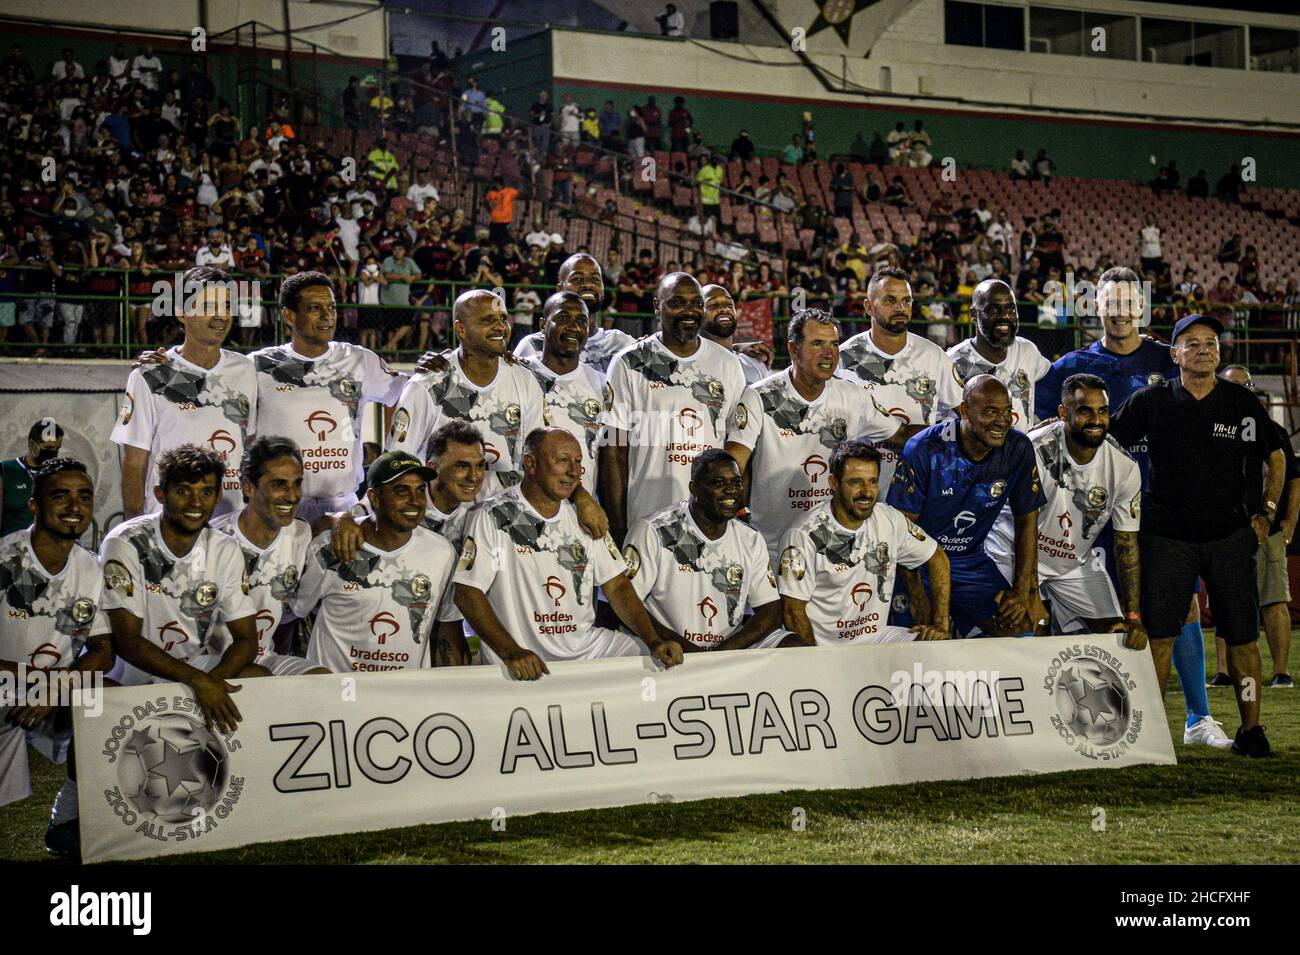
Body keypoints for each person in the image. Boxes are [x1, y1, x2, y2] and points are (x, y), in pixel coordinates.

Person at [1033, 267, 1221, 744]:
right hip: (1088, 521)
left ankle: (1198, 719)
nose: (1118, 312)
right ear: (1095, 307)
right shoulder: (1068, 367)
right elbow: (1040, 440)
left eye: (1127, 303)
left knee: (1184, 610)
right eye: (1109, 303)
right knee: (1104, 617)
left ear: (1141, 307)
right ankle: (1099, 721)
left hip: (1163, 506)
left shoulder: (1168, 357)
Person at [1107, 314, 1286, 758]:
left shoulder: (1241, 403)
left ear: (1220, 353)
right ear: (1175, 355)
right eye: (1192, 343)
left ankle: (1251, 730)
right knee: (1159, 635)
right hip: (1167, 537)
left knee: (1243, 637)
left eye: (1211, 342)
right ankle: (1147, 734)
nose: (1204, 349)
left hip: (1229, 537)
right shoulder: (1151, 400)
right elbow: (1107, 444)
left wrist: (1265, 513)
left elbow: (1277, 455)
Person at [454, 428, 684, 678]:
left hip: (585, 648)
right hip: (522, 652)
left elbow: (617, 585)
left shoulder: (587, 516)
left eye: (577, 462)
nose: (574, 472)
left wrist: (653, 640)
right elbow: (467, 594)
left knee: (659, 662)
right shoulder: (491, 516)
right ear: (531, 464)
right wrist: (511, 652)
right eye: (563, 461)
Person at [726, 308, 912, 559]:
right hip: (772, 546)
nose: (829, 353)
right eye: (817, 344)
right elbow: (733, 463)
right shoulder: (760, 397)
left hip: (833, 544)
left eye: (834, 344)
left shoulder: (852, 396)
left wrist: (951, 434)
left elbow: (901, 436)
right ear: (793, 349)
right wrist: (738, 516)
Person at [0, 458, 114, 859]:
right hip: (4, 685)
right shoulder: (6, 559)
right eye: (60, 495)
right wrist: (33, 681)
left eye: (84, 496)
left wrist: (53, 686)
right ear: (34, 506)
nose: (74, 506)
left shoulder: (92, 567)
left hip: (50, 689)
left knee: (106, 697)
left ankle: (64, 821)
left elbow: (103, 651)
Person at [99, 445, 260, 723]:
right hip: (133, 672)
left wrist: (213, 682)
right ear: (161, 494)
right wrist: (200, 682)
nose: (196, 503)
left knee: (258, 678)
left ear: (218, 496)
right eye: (184, 491)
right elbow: (128, 643)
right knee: (95, 694)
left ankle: (237, 764)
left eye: (206, 492)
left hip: (194, 667)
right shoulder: (125, 542)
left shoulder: (224, 548)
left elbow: (247, 640)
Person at [887, 376, 1046, 638]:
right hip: (919, 562)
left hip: (969, 562)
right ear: (965, 411)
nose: (1001, 421)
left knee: (1019, 628)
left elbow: (1027, 520)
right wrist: (919, 598)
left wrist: (1023, 591)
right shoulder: (926, 448)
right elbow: (902, 532)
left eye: (1007, 411)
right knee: (921, 637)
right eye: (990, 412)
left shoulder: (1018, 447)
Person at [989, 375, 1143, 641]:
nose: (1096, 420)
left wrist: (1133, 617)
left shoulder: (1125, 467)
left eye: (1102, 411)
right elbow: (1026, 524)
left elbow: (1126, 544)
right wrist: (1030, 593)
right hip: (1010, 555)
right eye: (1084, 411)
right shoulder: (1035, 449)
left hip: (1072, 564)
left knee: (1118, 635)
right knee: (1026, 624)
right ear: (1063, 412)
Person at [600, 272, 746, 544]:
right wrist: (617, 528)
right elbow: (613, 452)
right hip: (645, 519)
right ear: (657, 306)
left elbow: (737, 447)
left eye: (696, 303)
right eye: (677, 302)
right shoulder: (628, 363)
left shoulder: (727, 365)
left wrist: (736, 512)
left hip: (710, 523)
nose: (689, 311)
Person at [295, 451, 464, 671]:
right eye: (401, 490)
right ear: (374, 498)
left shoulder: (442, 552)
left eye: (420, 490)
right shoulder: (332, 547)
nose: (414, 501)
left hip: (404, 696)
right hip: (337, 696)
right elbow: (297, 609)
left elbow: (447, 630)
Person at [113, 267, 256, 519]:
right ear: (182, 312)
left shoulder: (247, 369)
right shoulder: (150, 375)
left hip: (231, 523)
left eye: (225, 305)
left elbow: (252, 446)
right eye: (209, 306)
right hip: (168, 523)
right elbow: (135, 463)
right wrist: (135, 528)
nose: (221, 315)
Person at [778, 441, 950, 645]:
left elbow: (937, 557)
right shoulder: (802, 535)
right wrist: (817, 664)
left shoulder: (889, 518)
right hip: (824, 647)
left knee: (934, 646)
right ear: (833, 483)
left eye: (873, 482)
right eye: (856, 482)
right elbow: (792, 613)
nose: (867, 492)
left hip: (877, 638)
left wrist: (940, 625)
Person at [386, 289, 545, 499]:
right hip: (440, 523)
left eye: (503, 318)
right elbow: (395, 464)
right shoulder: (427, 385)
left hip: (503, 520)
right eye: (488, 320)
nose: (500, 327)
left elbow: (534, 458)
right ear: (460, 329)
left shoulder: (525, 381)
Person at [624, 449, 785, 651]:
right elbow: (627, 605)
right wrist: (689, 652)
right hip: (670, 648)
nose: (731, 490)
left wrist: (724, 653)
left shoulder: (750, 539)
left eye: (736, 483)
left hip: (727, 650)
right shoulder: (653, 530)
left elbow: (770, 611)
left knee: (792, 643)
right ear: (694, 488)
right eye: (719, 483)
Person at [837, 267, 963, 493]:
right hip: (859, 490)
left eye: (906, 301)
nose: (900, 308)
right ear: (868, 307)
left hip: (919, 486)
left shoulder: (934, 356)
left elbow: (966, 414)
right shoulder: (844, 358)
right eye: (890, 300)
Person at [1213, 365, 1297, 689]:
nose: (1238, 391)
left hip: (1265, 526)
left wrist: (1285, 518)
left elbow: (1292, 474)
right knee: (1224, 601)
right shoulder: (1209, 424)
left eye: (1243, 385)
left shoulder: (1268, 426)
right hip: (1223, 528)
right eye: (1231, 385)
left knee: (1274, 599)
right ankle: (1222, 670)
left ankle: (1280, 671)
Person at [209, 437, 317, 676]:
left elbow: (290, 609)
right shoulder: (212, 540)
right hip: (210, 660)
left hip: (264, 658)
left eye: (297, 483)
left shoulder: (301, 534)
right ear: (248, 486)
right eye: (279, 485)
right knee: (257, 678)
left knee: (320, 680)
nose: (292, 495)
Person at [520, 292, 607, 495]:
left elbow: (608, 457)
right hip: (525, 509)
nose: (574, 327)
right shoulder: (519, 373)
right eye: (563, 318)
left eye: (581, 321)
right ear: (543, 325)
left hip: (580, 516)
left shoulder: (602, 385)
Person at [947, 279, 1051, 430]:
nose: (1005, 317)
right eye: (993, 310)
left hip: (1021, 453)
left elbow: (1053, 380)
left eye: (1011, 309)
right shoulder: (954, 362)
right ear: (973, 314)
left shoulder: (1027, 350)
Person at [514, 253, 635, 374]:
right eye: (577, 279)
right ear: (560, 289)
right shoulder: (533, 345)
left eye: (595, 279)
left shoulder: (622, 344)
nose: (588, 284)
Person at [700, 284, 773, 385]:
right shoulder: (690, 366)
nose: (725, 309)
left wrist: (733, 349)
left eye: (729, 304)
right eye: (713, 305)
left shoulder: (756, 362)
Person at [1, 419, 64, 536]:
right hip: (9, 548)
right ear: (32, 445)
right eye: (49, 448)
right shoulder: (5, 470)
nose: (53, 453)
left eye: (57, 449)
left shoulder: (58, 474)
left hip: (46, 547)